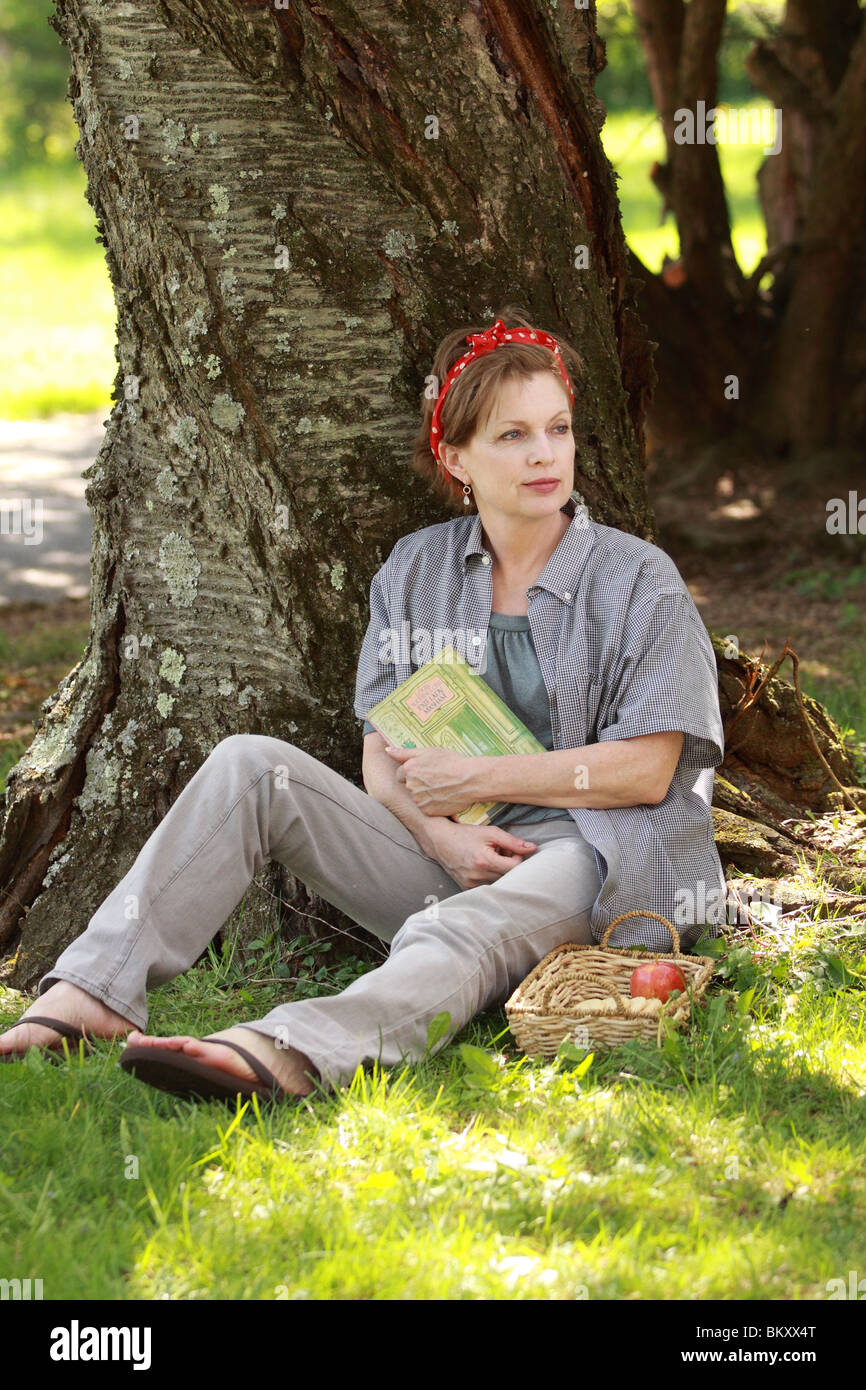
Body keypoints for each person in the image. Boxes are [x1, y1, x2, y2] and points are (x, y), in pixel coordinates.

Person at [0, 305, 726, 1102]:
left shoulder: (636, 579)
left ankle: (290, 1052)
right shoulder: (418, 571)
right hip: (451, 854)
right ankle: (94, 991)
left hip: (596, 862)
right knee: (252, 766)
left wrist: (485, 777)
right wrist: (433, 833)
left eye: (557, 429)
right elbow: (385, 744)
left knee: (465, 927)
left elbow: (649, 770)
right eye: (512, 436)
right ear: (456, 456)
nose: (544, 454)